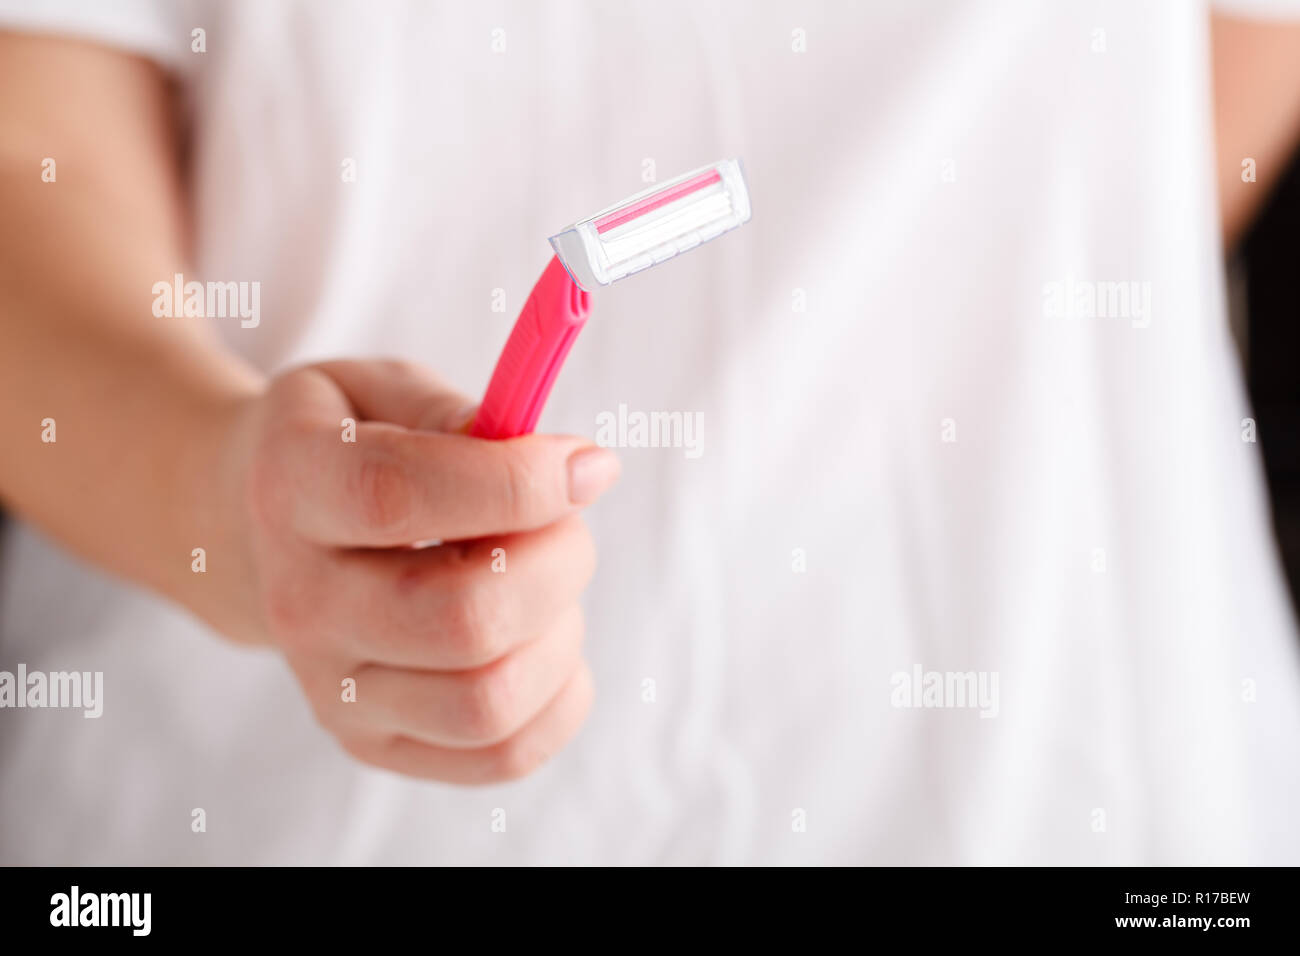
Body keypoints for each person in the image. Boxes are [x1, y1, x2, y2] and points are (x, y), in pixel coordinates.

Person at [1, 0, 1298, 865]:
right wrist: (237, 505)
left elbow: (1228, 69)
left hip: (1068, 779)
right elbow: (32, 157)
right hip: (270, 803)